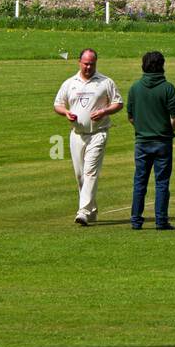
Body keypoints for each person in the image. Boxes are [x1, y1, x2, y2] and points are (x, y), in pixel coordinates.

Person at [53, 48, 123, 226]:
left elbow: (118, 103)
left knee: (90, 172)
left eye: (92, 64)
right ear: (79, 62)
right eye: (86, 64)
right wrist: (66, 113)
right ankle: (91, 211)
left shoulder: (105, 82)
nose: (89, 67)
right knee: (80, 175)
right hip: (77, 135)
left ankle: (83, 211)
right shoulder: (70, 83)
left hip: (98, 133)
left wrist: (104, 111)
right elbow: (58, 104)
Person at [127, 51, 175, 230]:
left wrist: (143, 129)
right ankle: (161, 220)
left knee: (139, 182)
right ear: (162, 66)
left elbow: (131, 117)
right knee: (162, 182)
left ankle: (135, 220)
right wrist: (165, 130)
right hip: (163, 141)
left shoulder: (135, 88)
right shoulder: (168, 88)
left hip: (142, 142)